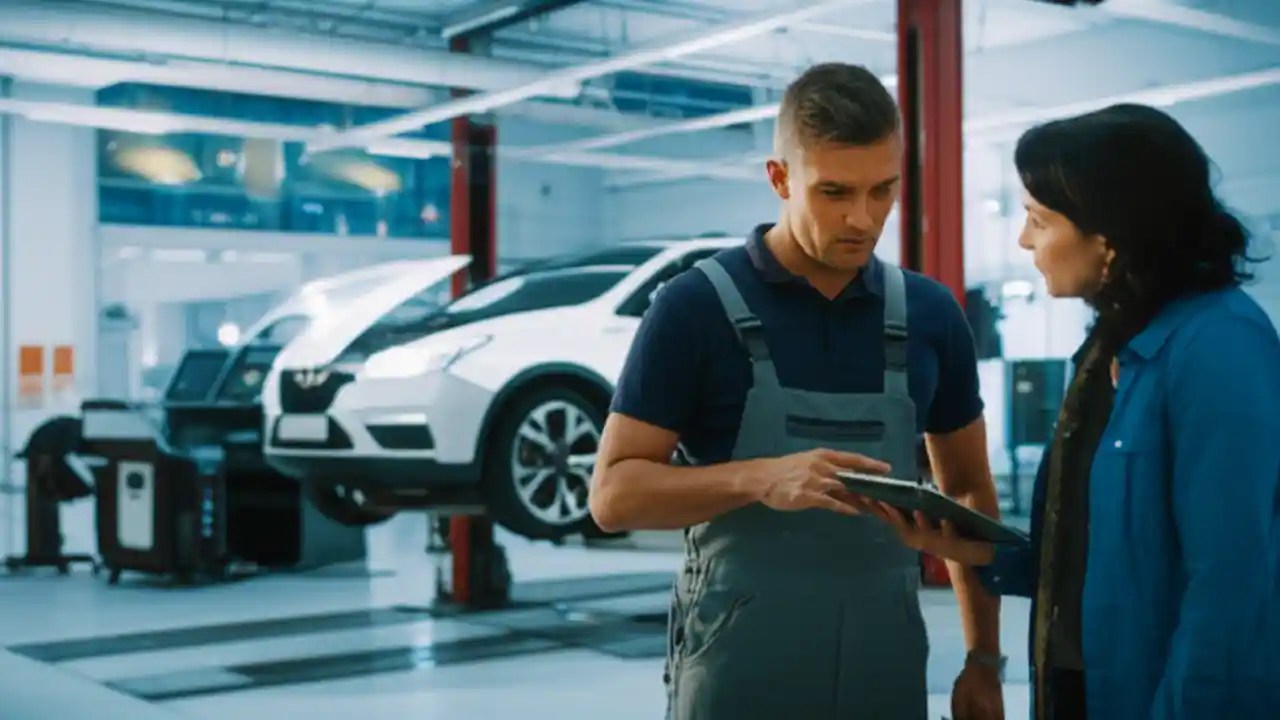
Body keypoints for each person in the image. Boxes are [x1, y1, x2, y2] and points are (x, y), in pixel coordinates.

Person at [589, 62, 1005, 720]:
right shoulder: (693, 308)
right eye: (834, 192)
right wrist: (759, 477)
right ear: (780, 178)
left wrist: (984, 658)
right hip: (739, 668)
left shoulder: (931, 315)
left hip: (885, 667)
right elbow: (613, 497)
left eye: (883, 191)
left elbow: (970, 495)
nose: (862, 219)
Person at [872, 103, 1280, 719]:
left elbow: (1229, 584)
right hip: (1077, 687)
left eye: (1039, 220)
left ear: (1110, 237)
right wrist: (972, 550)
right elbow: (1101, 551)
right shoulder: (1107, 351)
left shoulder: (1219, 346)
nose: (1024, 239)